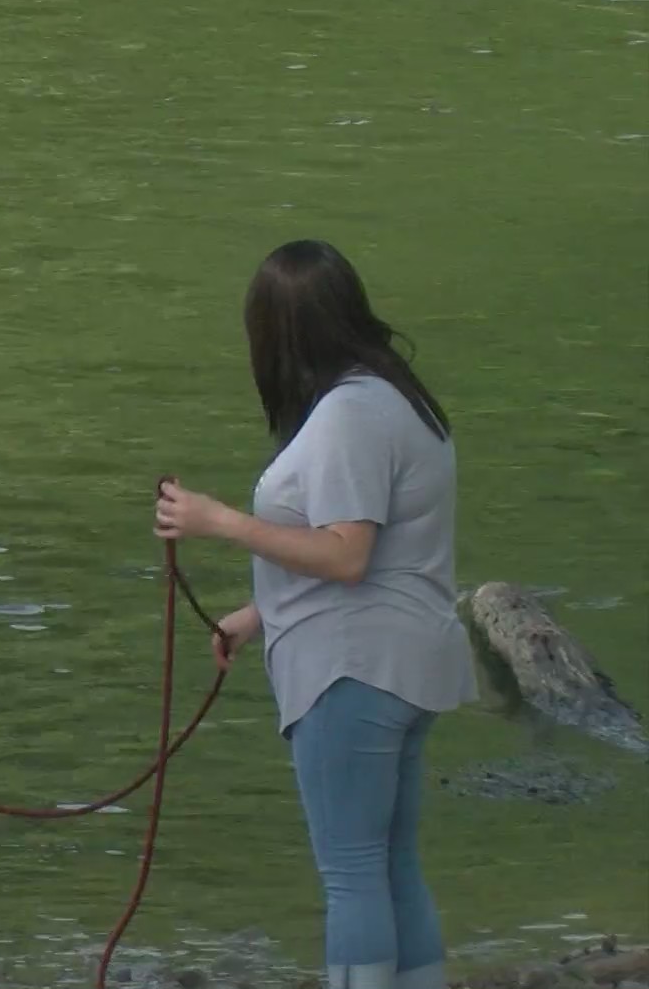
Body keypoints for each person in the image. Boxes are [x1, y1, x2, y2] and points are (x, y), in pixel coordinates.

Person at [153, 239, 477, 989]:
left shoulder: (348, 416)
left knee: (352, 872)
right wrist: (257, 613)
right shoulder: (398, 398)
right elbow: (379, 550)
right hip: (405, 661)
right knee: (392, 864)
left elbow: (346, 554)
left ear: (282, 332)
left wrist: (217, 520)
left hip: (352, 672)